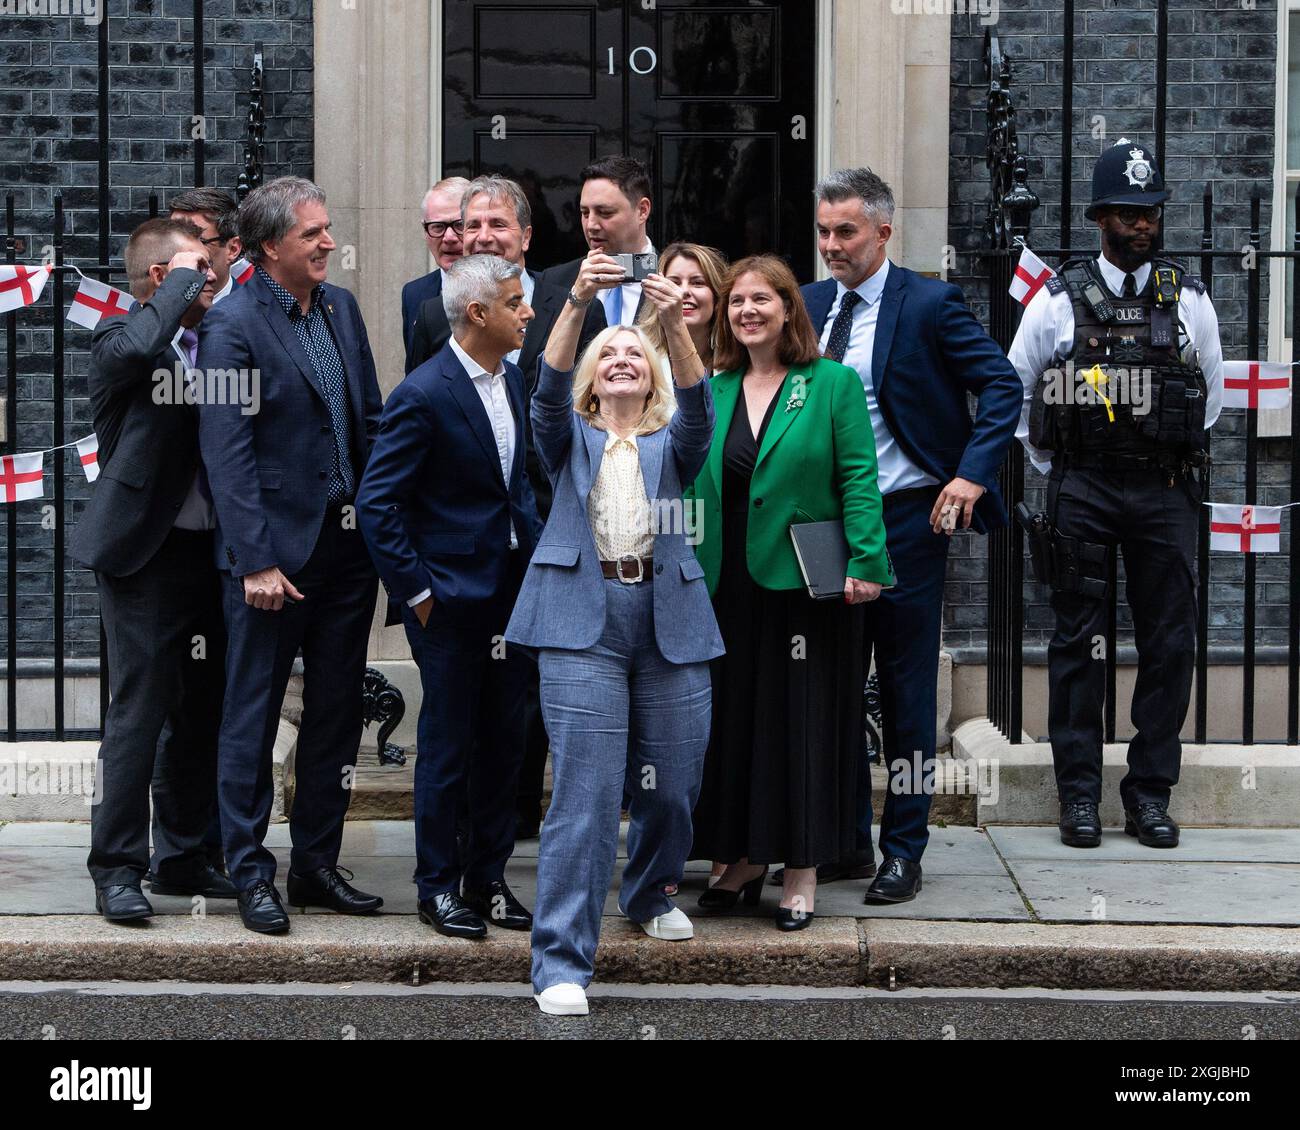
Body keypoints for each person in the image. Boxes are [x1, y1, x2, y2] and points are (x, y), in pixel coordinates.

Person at [505, 251, 719, 1017]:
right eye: (611, 355)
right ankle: (561, 961)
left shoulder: (674, 445)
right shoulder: (569, 442)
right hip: (580, 621)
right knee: (585, 797)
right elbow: (546, 395)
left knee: (674, 784)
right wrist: (576, 306)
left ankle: (651, 889)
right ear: (597, 379)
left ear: (651, 378)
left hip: (669, 623)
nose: (623, 360)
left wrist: (672, 324)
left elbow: (699, 407)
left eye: (637, 354)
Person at [802, 168, 1023, 904]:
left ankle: (903, 848)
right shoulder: (806, 307)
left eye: (847, 233)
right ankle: (839, 843)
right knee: (827, 685)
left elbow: (1002, 385)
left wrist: (970, 475)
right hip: (824, 525)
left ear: (884, 232)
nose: (832, 245)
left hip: (904, 520)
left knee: (901, 692)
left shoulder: (929, 304)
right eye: (825, 231)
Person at [1008, 139, 1224, 850]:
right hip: (1085, 488)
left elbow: (1211, 399)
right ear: (1101, 217)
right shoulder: (1057, 302)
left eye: (1151, 213)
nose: (1142, 226)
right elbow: (1017, 397)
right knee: (1078, 642)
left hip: (1164, 490)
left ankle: (1149, 794)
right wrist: (1064, 467)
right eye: (1129, 214)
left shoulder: (1189, 300)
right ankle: (1078, 796)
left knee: (1170, 643)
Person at [197, 176, 384, 935]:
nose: (329, 243)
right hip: (273, 559)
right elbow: (227, 453)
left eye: (329, 229)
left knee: (337, 712)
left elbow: (368, 418)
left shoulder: (340, 310)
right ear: (272, 245)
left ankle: (315, 865)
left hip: (346, 548)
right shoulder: (232, 326)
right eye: (313, 234)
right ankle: (250, 873)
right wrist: (253, 560)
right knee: (253, 712)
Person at [688, 254, 892, 932]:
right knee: (734, 723)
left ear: (788, 309)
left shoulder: (830, 383)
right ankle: (741, 858)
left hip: (806, 585)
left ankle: (801, 869)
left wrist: (866, 559)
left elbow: (860, 477)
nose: (747, 311)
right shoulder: (712, 389)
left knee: (803, 724)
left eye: (761, 300)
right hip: (725, 587)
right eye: (737, 301)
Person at [357, 254, 543, 940]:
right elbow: (378, 505)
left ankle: (487, 881)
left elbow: (515, 485)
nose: (528, 312)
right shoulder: (424, 392)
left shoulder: (515, 378)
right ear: (478, 314)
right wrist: (419, 593)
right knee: (447, 745)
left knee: (504, 743)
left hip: (513, 595)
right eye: (517, 303)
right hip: (450, 604)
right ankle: (437, 887)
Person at [70, 218, 234, 921]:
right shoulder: (120, 339)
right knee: (139, 712)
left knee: (202, 710)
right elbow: (140, 346)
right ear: (164, 279)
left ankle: (185, 854)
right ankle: (116, 867)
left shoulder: (222, 344)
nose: (218, 270)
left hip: (212, 553)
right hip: (144, 555)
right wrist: (179, 290)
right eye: (201, 263)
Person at [537, 155, 657, 330]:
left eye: (605, 212)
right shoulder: (553, 282)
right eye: (585, 213)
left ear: (642, 210)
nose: (591, 225)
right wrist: (577, 298)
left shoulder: (677, 279)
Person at [401, 176, 468, 369]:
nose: (448, 238)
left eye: (459, 225)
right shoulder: (413, 294)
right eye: (437, 227)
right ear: (425, 231)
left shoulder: (505, 288)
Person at [638, 241, 728, 375]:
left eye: (697, 283)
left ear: (717, 295)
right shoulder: (637, 352)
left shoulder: (737, 358)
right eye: (674, 282)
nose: (683, 291)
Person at [169, 188, 242, 303]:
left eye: (198, 241)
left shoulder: (255, 315)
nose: (179, 253)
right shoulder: (149, 308)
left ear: (233, 250)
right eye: (172, 241)